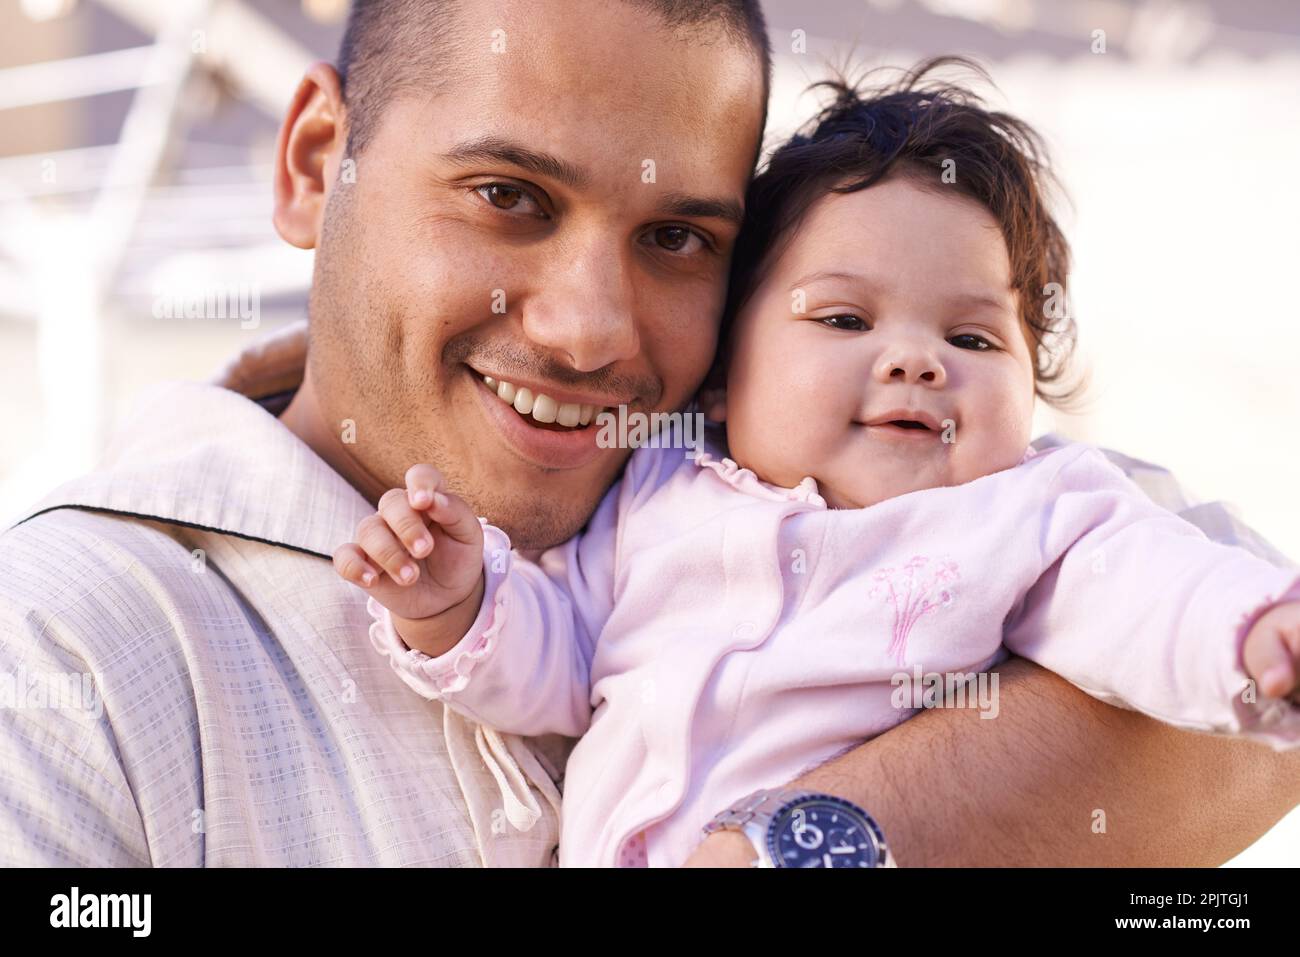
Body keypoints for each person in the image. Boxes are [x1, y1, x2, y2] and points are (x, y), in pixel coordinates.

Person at [0, 1, 1295, 867]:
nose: (585, 331)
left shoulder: (800, 466)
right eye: (508, 197)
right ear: (311, 164)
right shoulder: (64, 648)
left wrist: (784, 846)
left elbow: (1233, 685)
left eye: (679, 238)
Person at [335, 61, 1300, 867]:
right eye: (843, 319)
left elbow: (1148, 594)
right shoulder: (658, 494)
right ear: (721, 372)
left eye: (974, 337)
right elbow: (563, 659)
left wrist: (1256, 636)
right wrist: (457, 604)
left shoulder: (1034, 514)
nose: (917, 359)